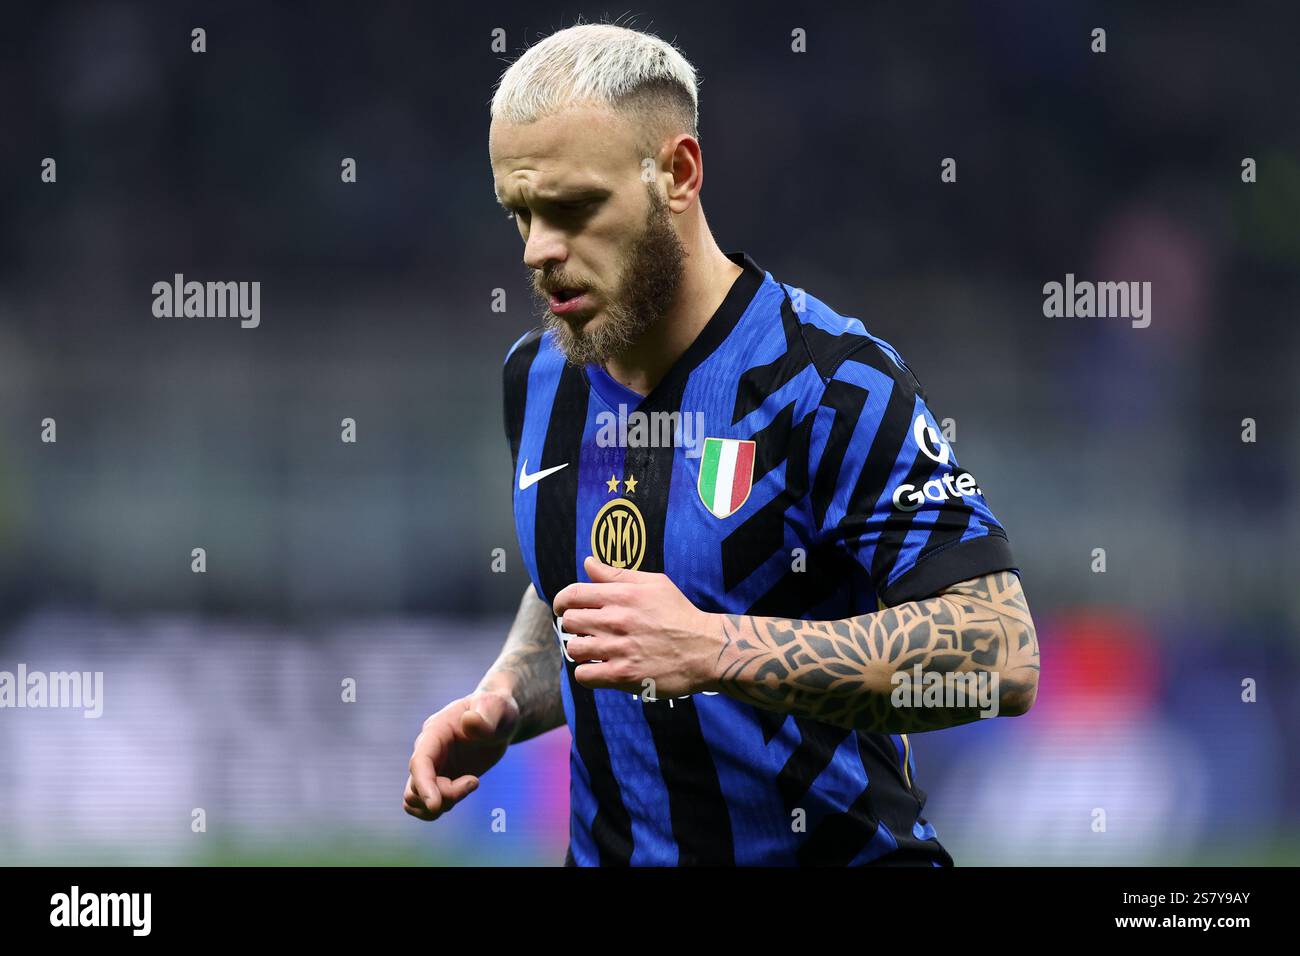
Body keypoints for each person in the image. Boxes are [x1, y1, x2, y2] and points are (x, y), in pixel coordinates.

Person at [403, 22, 1039, 866]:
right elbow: (580, 575)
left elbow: (999, 659)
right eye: (519, 214)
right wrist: (506, 699)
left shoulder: (826, 381)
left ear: (677, 174)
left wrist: (712, 648)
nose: (539, 251)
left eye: (573, 209)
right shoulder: (541, 377)